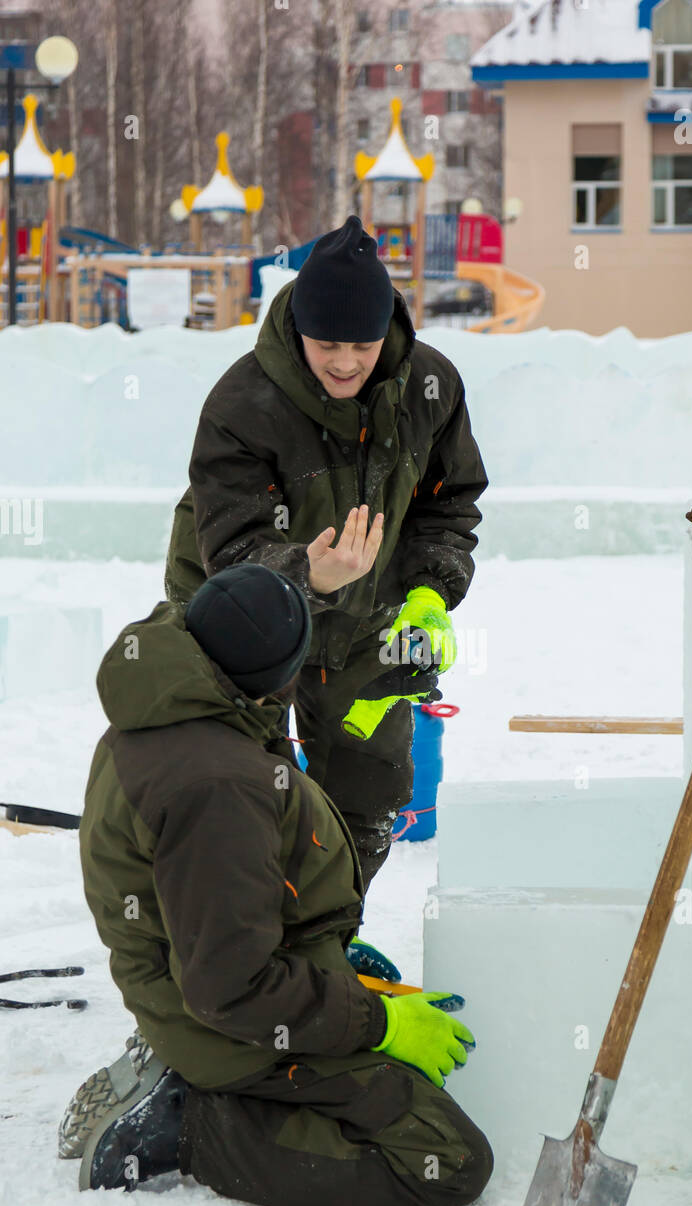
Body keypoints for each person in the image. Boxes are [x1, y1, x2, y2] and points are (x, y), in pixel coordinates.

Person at [59, 564, 492, 1206]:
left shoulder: (179, 698)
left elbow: (252, 882)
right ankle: (191, 1127)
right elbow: (229, 985)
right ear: (274, 678)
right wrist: (376, 1024)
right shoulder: (218, 786)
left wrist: (331, 961)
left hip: (201, 977)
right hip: (217, 1020)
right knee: (443, 1158)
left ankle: (213, 1084)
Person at [164, 214, 488, 890]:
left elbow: (446, 502)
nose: (345, 362)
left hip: (367, 608)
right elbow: (232, 543)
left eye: (363, 345)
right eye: (327, 343)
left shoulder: (429, 389)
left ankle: (326, 944)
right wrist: (306, 572)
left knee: (366, 788)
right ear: (299, 331)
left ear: (387, 333)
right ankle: (245, 957)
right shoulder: (243, 402)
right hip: (238, 610)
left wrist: (428, 595)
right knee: (242, 787)